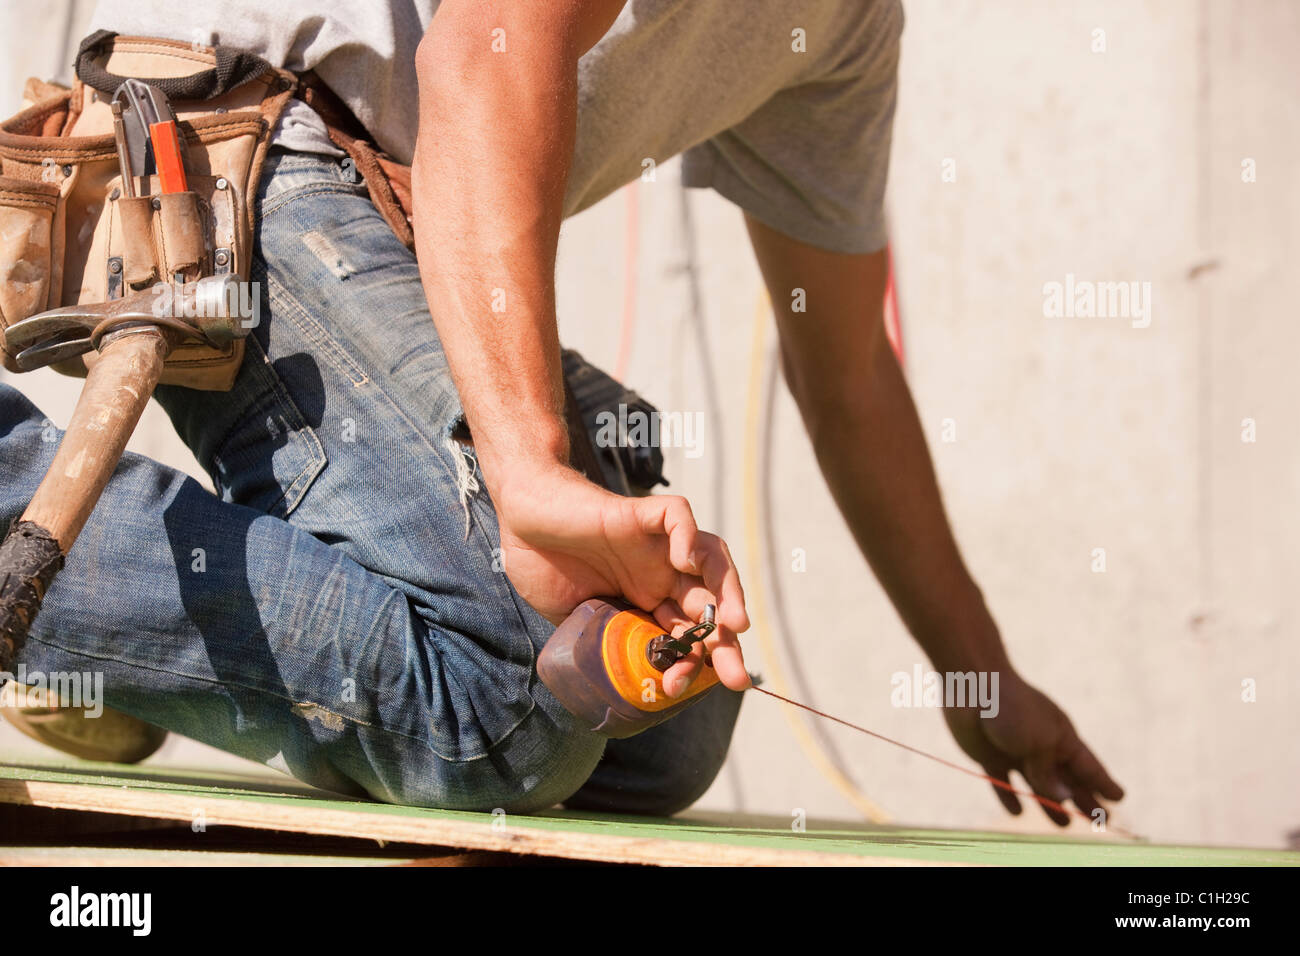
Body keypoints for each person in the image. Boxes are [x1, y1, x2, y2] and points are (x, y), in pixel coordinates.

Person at [0, 0, 1122, 820]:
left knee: (658, 726)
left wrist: (977, 670)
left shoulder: (845, 25)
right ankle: (30, 533)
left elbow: (846, 373)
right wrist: (529, 478)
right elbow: (486, 55)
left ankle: (110, 629)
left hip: (388, 211)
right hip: (233, 143)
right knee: (494, 702)